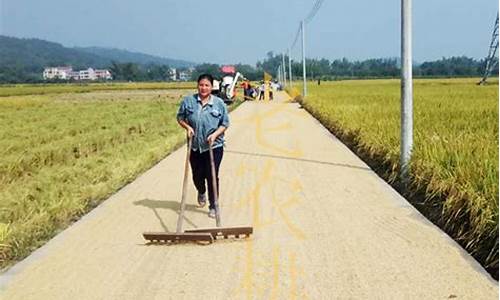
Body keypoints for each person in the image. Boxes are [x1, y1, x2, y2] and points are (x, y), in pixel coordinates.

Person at [177, 74, 229, 218]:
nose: (204, 88)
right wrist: (187, 127)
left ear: (212, 87)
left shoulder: (219, 103)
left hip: (214, 146)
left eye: (207, 85)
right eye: (201, 85)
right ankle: (201, 191)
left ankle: (214, 205)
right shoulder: (189, 102)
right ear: (197, 85)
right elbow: (180, 118)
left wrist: (215, 135)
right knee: (197, 176)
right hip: (195, 146)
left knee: (212, 175)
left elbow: (225, 123)